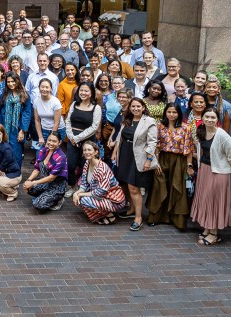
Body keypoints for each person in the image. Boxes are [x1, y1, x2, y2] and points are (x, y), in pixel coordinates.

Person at [189, 108, 231, 246]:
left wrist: (222, 165)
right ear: (202, 118)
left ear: (217, 120)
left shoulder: (223, 136)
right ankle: (207, 228)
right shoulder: (201, 131)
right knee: (205, 199)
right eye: (207, 117)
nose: (210, 120)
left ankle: (214, 234)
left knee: (214, 201)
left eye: (213, 117)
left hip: (219, 173)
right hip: (204, 169)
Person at [112, 97, 158, 232]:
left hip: (138, 157)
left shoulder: (149, 121)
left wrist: (149, 160)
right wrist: (115, 152)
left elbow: (152, 142)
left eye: (138, 106)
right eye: (133, 106)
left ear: (143, 107)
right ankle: (131, 209)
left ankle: (138, 217)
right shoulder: (127, 120)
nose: (135, 109)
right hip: (125, 154)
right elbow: (119, 137)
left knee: (133, 187)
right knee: (125, 183)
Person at [147, 102, 195, 230]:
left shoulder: (186, 128)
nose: (172, 114)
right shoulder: (159, 126)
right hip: (162, 158)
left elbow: (189, 148)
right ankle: (157, 217)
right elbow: (155, 146)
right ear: (165, 113)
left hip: (179, 160)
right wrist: (155, 162)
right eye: (169, 112)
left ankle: (177, 220)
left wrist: (189, 165)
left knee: (177, 187)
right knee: (159, 186)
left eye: (174, 112)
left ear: (179, 113)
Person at [73, 141, 127, 224]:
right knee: (79, 198)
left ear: (96, 152)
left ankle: (109, 216)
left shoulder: (102, 168)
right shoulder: (87, 163)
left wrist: (80, 194)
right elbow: (84, 184)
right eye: (85, 150)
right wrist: (76, 194)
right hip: (100, 195)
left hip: (114, 200)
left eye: (89, 150)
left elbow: (100, 192)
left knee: (84, 200)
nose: (86, 152)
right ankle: (102, 215)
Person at [63, 81, 101, 194]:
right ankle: (72, 185)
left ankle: (85, 188)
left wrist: (78, 138)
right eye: (81, 90)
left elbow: (94, 127)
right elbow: (68, 120)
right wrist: (71, 136)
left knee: (86, 164)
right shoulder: (74, 104)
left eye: (86, 91)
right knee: (70, 163)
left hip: (88, 139)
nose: (83, 93)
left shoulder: (96, 107)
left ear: (91, 93)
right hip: (72, 138)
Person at [24, 132, 69, 212]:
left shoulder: (61, 157)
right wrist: (28, 180)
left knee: (37, 204)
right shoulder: (43, 150)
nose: (51, 143)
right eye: (49, 140)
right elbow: (37, 169)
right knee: (29, 189)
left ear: (59, 142)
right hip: (45, 182)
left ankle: (58, 199)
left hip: (56, 186)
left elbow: (51, 178)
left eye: (54, 141)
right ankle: (45, 195)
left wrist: (33, 182)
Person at [1, 72, 31, 164]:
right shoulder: (5, 94)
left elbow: (27, 113)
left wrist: (22, 130)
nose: (10, 84)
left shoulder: (24, 95)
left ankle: (16, 174)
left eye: (13, 81)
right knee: (4, 151)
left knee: (16, 153)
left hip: (16, 128)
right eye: (8, 82)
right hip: (5, 128)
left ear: (17, 81)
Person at [32, 78, 63, 148]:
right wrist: (40, 137)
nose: (44, 89)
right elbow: (37, 120)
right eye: (42, 87)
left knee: (52, 152)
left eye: (47, 87)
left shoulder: (55, 102)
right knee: (40, 152)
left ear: (51, 89)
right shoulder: (36, 101)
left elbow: (57, 122)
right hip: (44, 129)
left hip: (57, 130)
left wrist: (51, 139)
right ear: (39, 88)